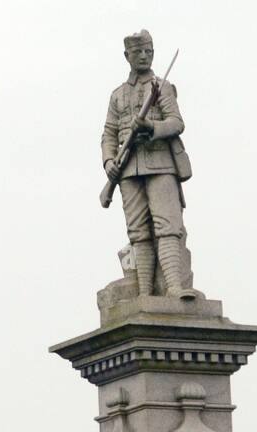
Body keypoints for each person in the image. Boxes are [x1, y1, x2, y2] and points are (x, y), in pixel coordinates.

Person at [102, 30, 194, 297]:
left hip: (161, 165)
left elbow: (176, 123)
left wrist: (151, 126)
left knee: (168, 226)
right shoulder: (117, 95)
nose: (144, 56)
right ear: (127, 56)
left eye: (148, 51)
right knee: (138, 233)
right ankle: (144, 293)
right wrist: (109, 161)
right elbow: (108, 133)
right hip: (128, 169)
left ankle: (175, 288)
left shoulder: (162, 87)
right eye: (138, 51)